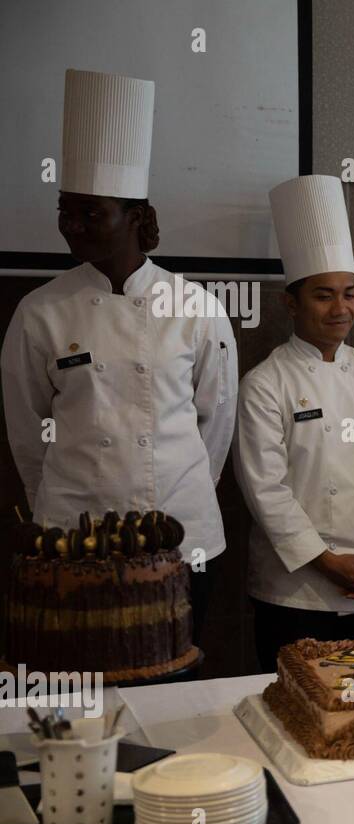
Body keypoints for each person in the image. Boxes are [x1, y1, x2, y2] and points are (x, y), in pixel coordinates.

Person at [1, 69, 237, 645]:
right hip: (73, 535)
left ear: (135, 218)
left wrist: (179, 486)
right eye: (66, 211)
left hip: (183, 533)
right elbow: (29, 431)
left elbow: (217, 421)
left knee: (172, 669)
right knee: (80, 680)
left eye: (91, 212)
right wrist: (57, 508)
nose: (72, 226)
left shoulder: (197, 309)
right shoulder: (41, 312)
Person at [234, 175, 354, 671]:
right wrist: (327, 562)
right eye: (323, 296)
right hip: (292, 592)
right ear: (290, 303)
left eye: (350, 294)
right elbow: (266, 491)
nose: (341, 309)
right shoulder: (264, 384)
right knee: (290, 709)